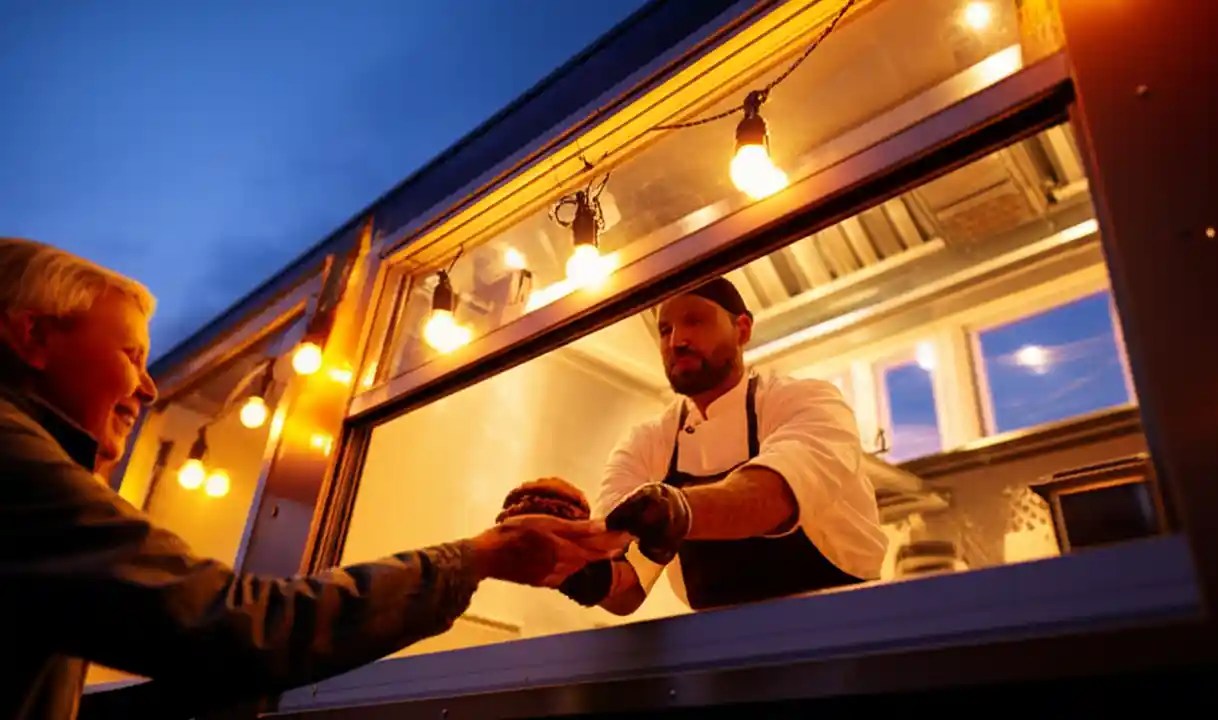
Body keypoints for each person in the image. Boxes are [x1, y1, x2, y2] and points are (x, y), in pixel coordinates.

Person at [0, 237, 623, 720]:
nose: (149, 385)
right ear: (32, 336)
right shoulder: (15, 462)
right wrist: (478, 557)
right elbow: (238, 626)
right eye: (130, 355)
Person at [556, 277, 887, 613]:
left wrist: (670, 511)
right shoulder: (648, 443)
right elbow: (626, 587)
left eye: (695, 321)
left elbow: (768, 499)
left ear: (742, 329)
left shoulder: (804, 401)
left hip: (843, 627)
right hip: (722, 645)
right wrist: (579, 571)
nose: (677, 341)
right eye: (665, 329)